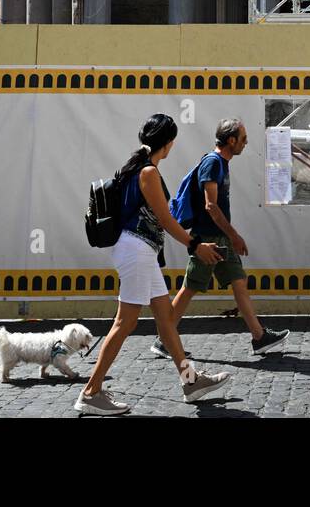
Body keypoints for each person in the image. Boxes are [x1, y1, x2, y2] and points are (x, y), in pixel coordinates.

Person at [75, 114, 233, 415]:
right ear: (169, 142)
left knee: (165, 319)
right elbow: (165, 219)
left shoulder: (139, 169)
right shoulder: (147, 172)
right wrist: (195, 245)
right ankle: (91, 392)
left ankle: (191, 382)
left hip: (141, 252)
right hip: (136, 251)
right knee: (125, 323)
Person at [154, 118, 290, 359]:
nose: (246, 143)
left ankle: (259, 337)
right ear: (231, 140)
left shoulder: (221, 163)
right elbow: (211, 207)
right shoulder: (213, 163)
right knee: (190, 287)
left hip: (219, 237)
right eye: (243, 139)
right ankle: (164, 339)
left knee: (239, 282)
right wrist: (234, 236)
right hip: (209, 239)